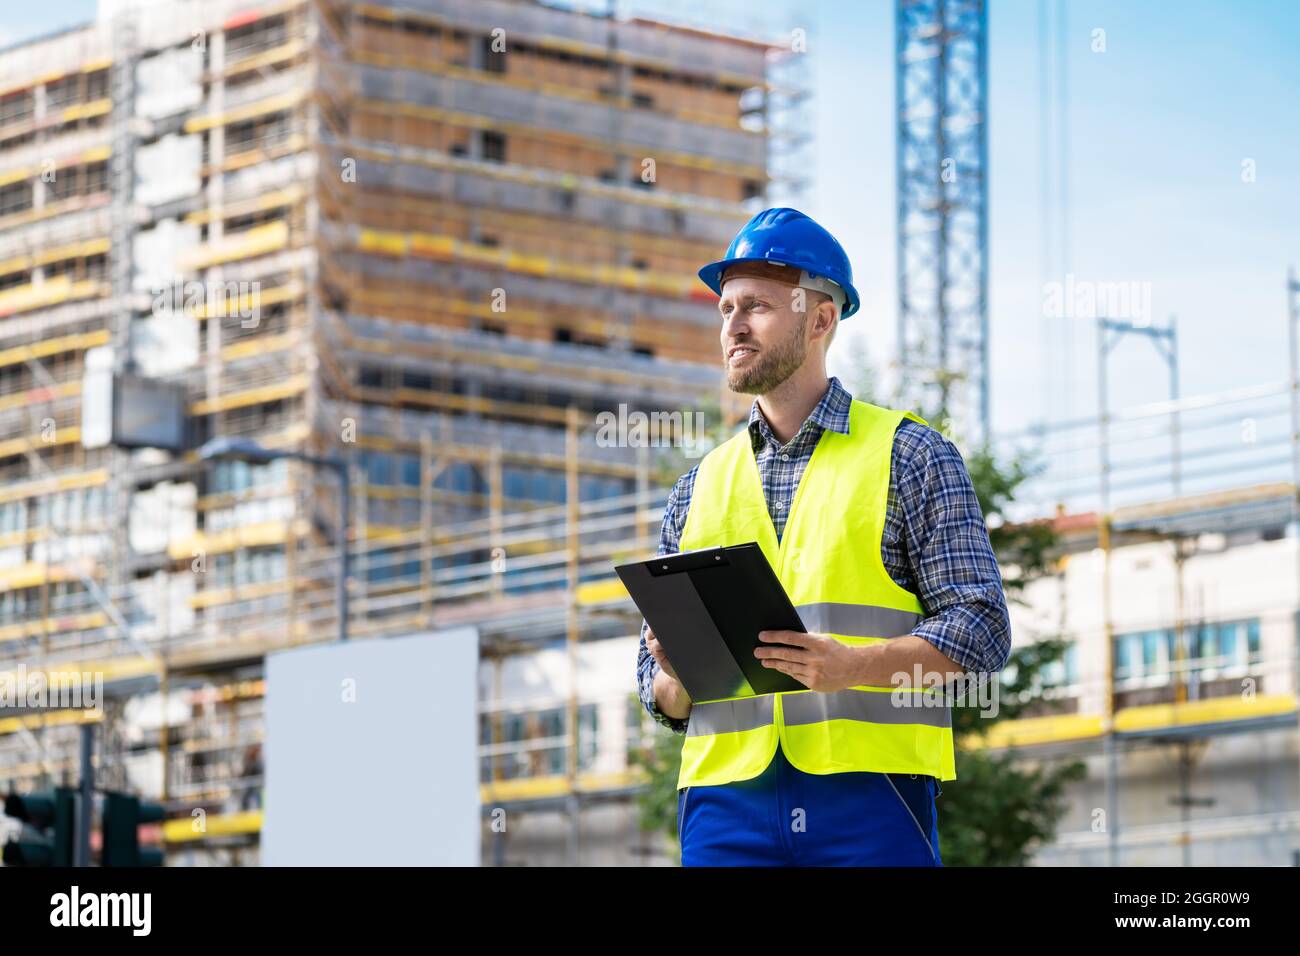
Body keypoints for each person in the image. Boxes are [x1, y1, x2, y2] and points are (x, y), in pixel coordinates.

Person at [635, 207, 1011, 866]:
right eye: (725, 309)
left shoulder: (911, 455)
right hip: (724, 806)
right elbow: (658, 695)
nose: (734, 326)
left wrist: (856, 668)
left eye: (756, 306)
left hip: (870, 797)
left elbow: (981, 627)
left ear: (820, 318)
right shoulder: (696, 489)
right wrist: (677, 674)